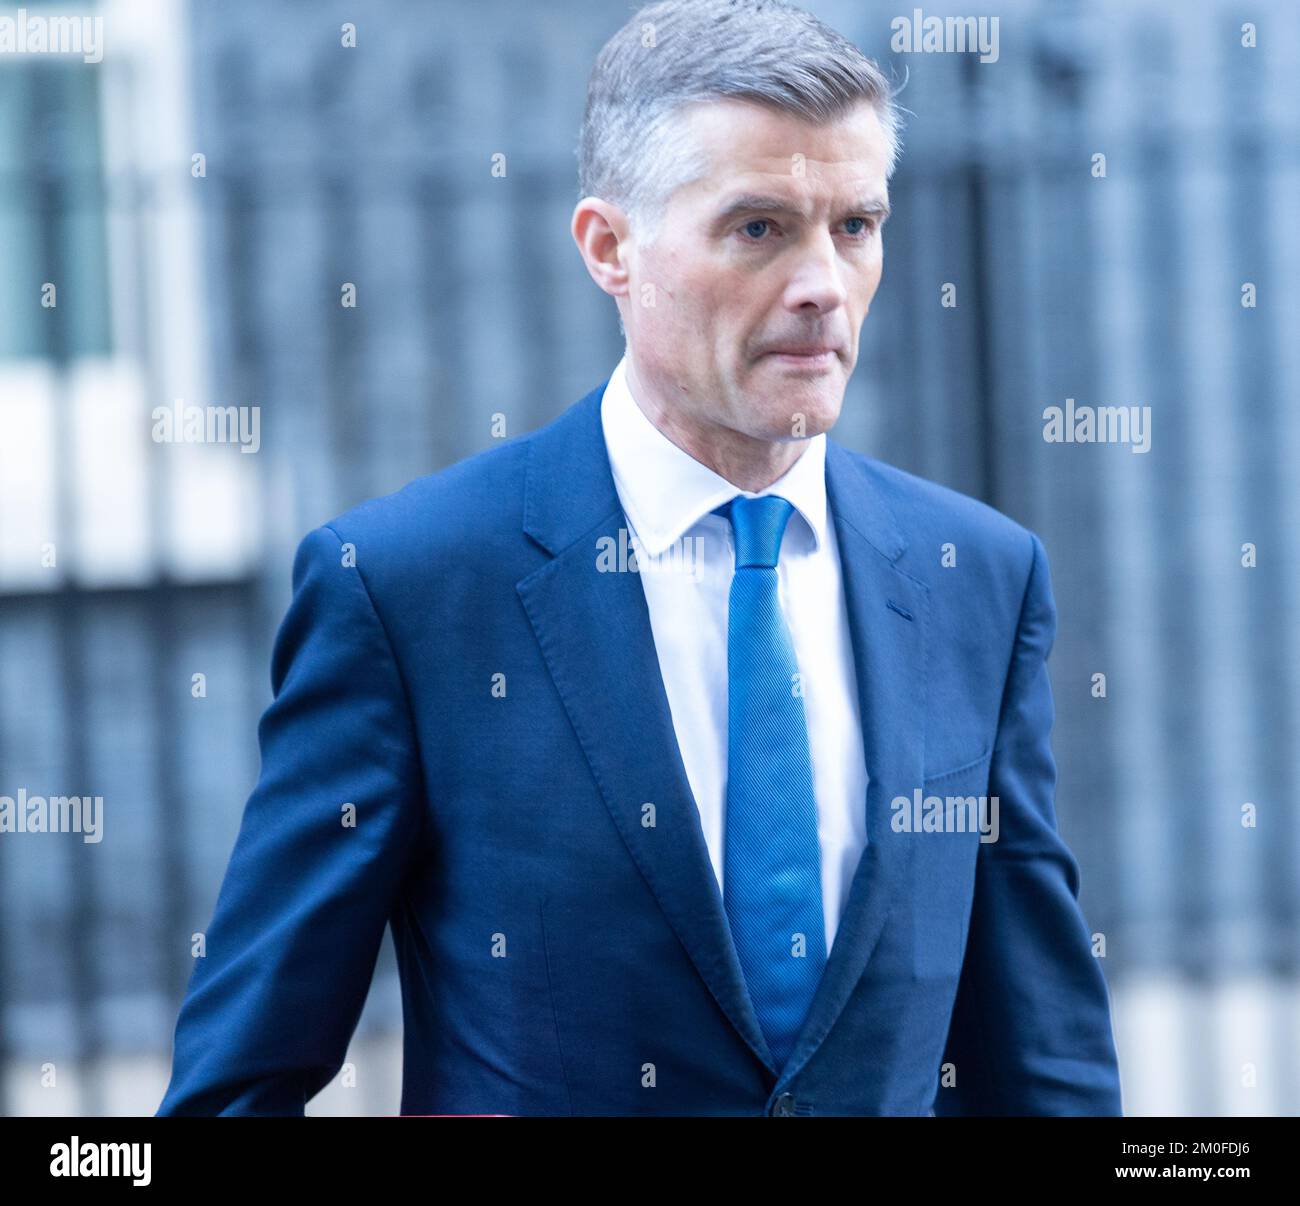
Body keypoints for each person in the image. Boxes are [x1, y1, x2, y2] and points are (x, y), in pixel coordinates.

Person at [158, 0, 1122, 1116]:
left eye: (855, 226)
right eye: (758, 228)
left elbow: (1041, 1058)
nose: (822, 284)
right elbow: (239, 1079)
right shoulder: (411, 587)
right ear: (609, 248)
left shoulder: (979, 576)